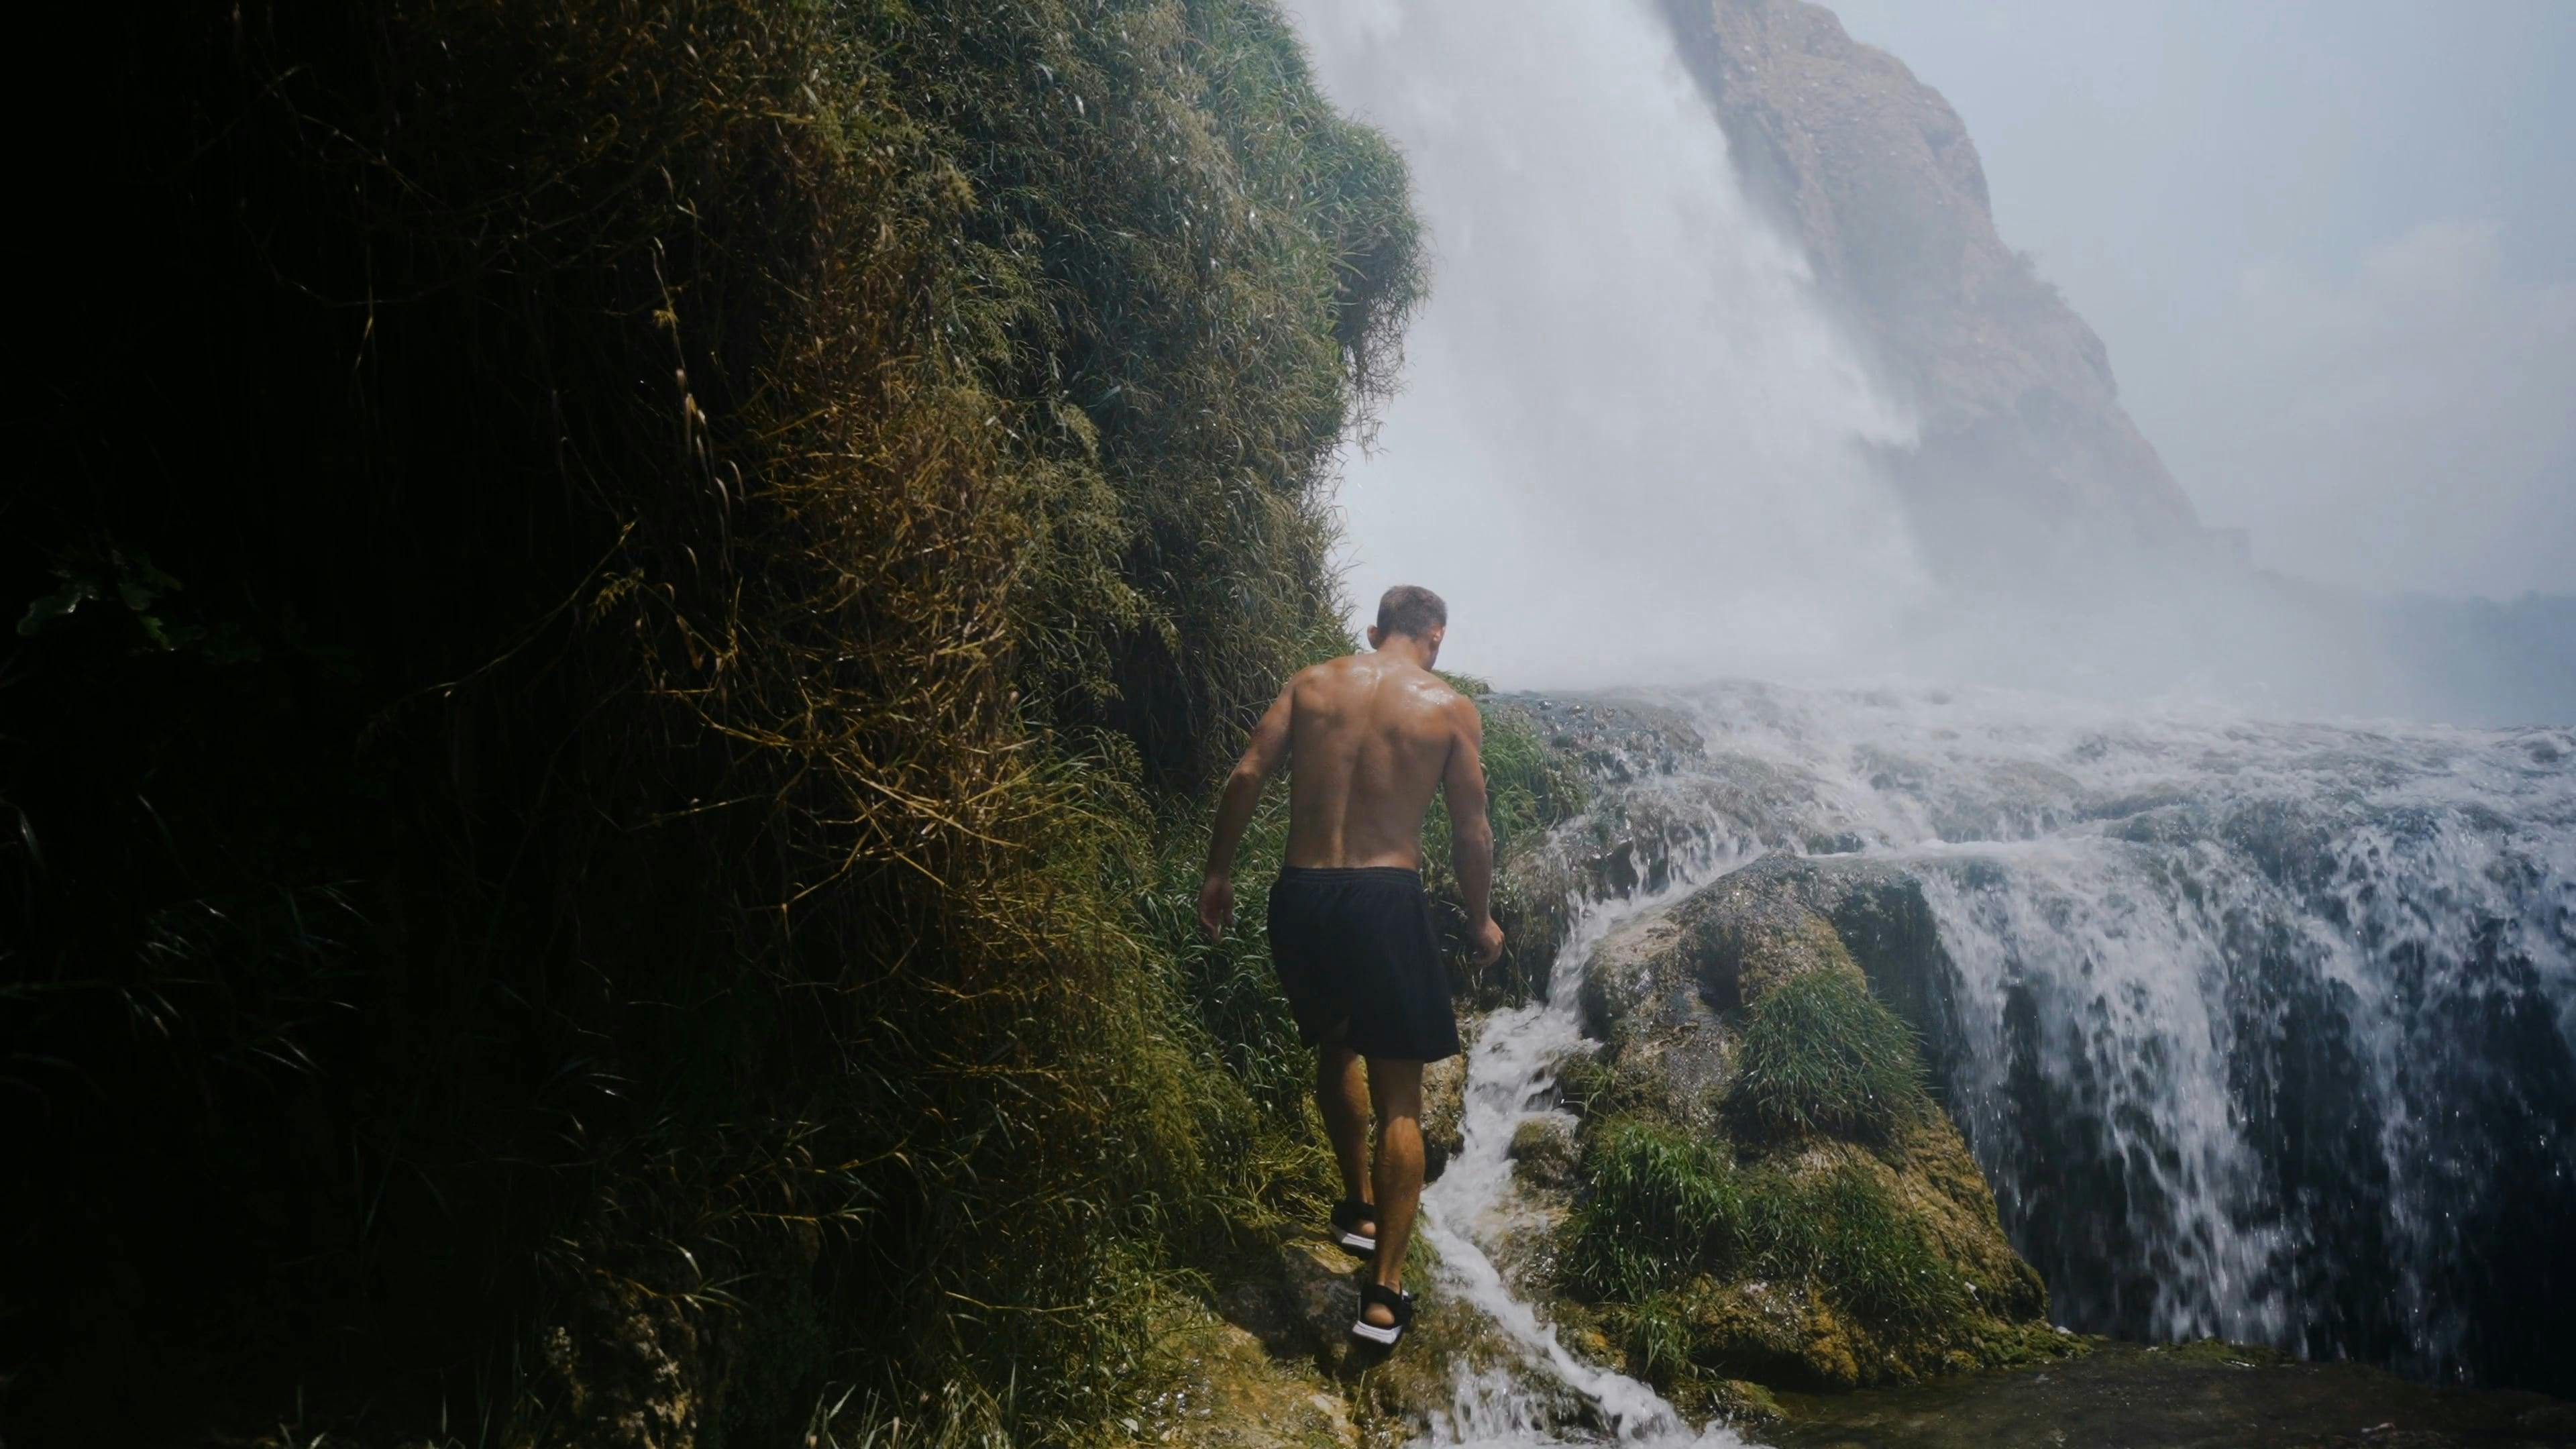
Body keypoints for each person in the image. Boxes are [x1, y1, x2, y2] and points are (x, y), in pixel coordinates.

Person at [1198, 584, 1504, 1350]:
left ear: (1374, 632)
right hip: (1383, 898)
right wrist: (1480, 918)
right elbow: (1472, 831)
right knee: (1402, 1095)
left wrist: (1218, 873)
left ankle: (1359, 1208)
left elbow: (1246, 775)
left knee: (1337, 1046)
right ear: (1436, 637)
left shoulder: (1311, 684)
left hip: (1301, 895)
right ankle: (1383, 1295)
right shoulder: (1447, 708)